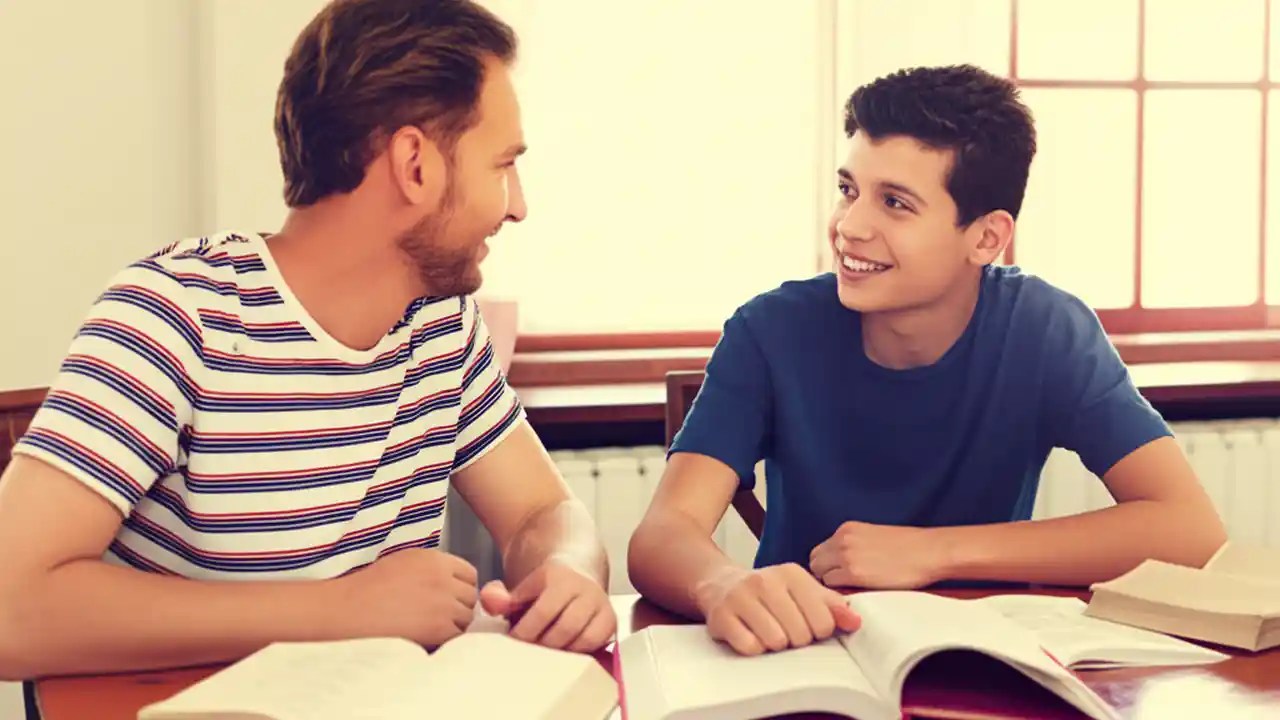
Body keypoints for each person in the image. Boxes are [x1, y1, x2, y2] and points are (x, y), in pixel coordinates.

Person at [0, 0, 615, 680]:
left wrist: (568, 569)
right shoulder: (177, 314)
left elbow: (543, 511)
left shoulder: (442, 327)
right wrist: (338, 610)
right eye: (502, 165)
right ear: (415, 165)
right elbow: (9, 608)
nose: (517, 205)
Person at [628, 64, 1227, 657]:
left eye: (894, 203)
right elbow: (661, 535)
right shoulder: (769, 330)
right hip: (804, 652)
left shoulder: (1045, 329)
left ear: (986, 239)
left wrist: (934, 551)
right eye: (848, 190)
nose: (849, 226)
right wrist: (724, 584)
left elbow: (1190, 529)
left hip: (979, 654)